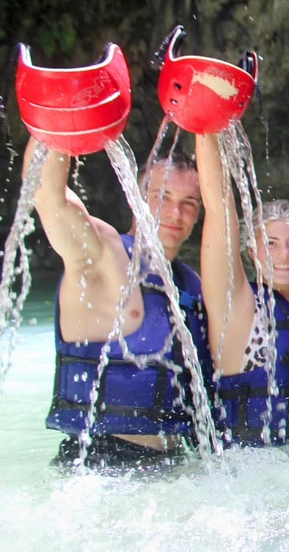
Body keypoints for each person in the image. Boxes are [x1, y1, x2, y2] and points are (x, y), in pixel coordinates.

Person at [24, 139, 211, 469]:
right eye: (162, 197)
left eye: (189, 202)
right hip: (102, 465)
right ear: (136, 197)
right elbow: (50, 198)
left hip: (172, 463)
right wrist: (54, 124)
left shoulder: (190, 283)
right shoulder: (104, 254)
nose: (175, 213)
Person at [195, 134, 289, 447]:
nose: (283, 254)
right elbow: (219, 209)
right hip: (251, 468)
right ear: (251, 252)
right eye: (270, 244)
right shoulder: (239, 307)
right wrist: (205, 130)